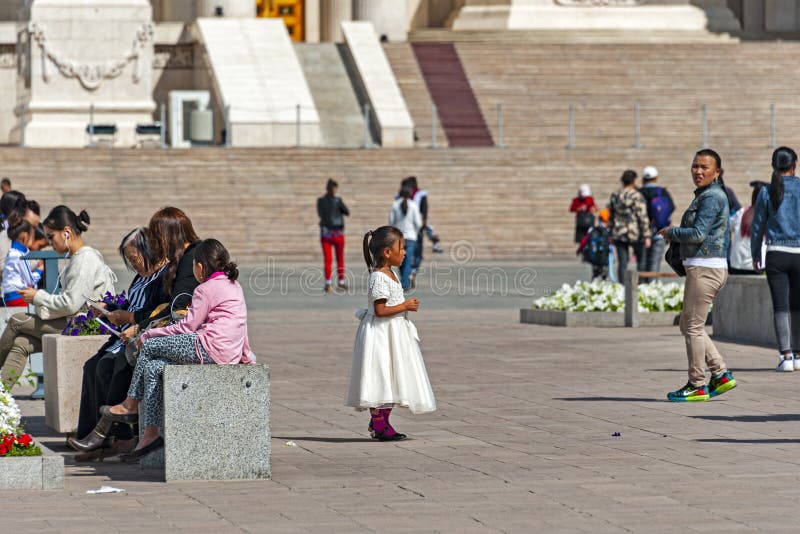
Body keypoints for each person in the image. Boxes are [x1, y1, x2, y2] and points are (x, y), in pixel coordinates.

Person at [101, 239, 253, 461]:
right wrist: (246, 357)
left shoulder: (205, 289)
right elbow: (241, 325)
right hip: (225, 353)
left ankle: (130, 403)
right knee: (153, 368)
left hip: (206, 347)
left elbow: (187, 327)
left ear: (200, 267)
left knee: (149, 346)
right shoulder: (234, 285)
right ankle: (150, 434)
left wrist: (149, 334)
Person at [67, 228, 169, 457]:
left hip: (138, 338)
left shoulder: (163, 277)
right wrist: (108, 310)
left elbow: (157, 313)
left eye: (135, 258)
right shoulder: (140, 277)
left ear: (149, 251)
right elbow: (131, 306)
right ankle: (91, 434)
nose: (134, 265)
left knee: (108, 366)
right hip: (122, 337)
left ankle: (118, 436)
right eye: (130, 260)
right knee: (91, 366)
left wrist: (132, 321)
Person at [0, 206, 115, 389]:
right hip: (79, 322)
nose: (49, 242)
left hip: (88, 325)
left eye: (51, 236)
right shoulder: (79, 257)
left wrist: (37, 296)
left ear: (66, 232)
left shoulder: (85, 258)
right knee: (22, 343)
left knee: (17, 320)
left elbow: (70, 304)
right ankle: (2, 395)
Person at [345, 226, 436, 441]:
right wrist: (405, 305)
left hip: (393, 333)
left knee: (393, 376)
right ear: (387, 252)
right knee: (381, 375)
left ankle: (381, 422)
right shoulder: (379, 277)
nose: (404, 252)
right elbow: (380, 310)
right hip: (380, 333)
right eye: (401, 248)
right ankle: (379, 424)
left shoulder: (391, 273)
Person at [659, 149, 736, 401]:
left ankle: (697, 384)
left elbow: (698, 233)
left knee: (692, 327)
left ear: (717, 172)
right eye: (695, 166)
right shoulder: (707, 195)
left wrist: (672, 232)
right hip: (705, 266)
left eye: (704, 167)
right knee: (688, 324)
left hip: (705, 267)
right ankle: (720, 373)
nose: (698, 171)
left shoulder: (712, 196)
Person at [751, 147, 800, 372]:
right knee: (798, 305)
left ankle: (786, 356)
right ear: (795, 165)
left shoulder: (766, 191)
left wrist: (755, 254)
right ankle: (798, 355)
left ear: (774, 166)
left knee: (781, 306)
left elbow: (757, 226)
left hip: (776, 254)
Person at [610, 170, 651, 283]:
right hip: (635, 232)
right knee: (641, 261)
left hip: (619, 232)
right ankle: (640, 284)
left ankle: (622, 286)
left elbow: (611, 216)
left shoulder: (615, 195)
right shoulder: (636, 195)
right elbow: (642, 216)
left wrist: (611, 233)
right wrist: (647, 235)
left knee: (622, 263)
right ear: (634, 180)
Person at [402, 176, 443, 288]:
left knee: (405, 256)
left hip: (402, 231)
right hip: (416, 231)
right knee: (416, 255)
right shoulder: (420, 196)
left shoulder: (400, 199)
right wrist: (426, 230)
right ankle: (411, 273)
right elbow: (424, 213)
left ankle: (406, 277)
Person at [639, 166, 675, 279]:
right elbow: (671, 208)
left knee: (642, 261)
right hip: (660, 231)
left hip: (642, 233)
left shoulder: (639, 193)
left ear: (643, 179)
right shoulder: (662, 192)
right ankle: (652, 284)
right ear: (656, 177)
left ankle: (640, 284)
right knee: (655, 261)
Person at [2, 215, 43, 307]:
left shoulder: (11, 252)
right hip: (18, 297)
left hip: (8, 297)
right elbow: (30, 281)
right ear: (25, 236)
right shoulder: (20, 255)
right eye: (32, 236)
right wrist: (40, 269)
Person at [317, 179, 349, 293]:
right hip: (337, 233)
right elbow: (347, 212)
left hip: (326, 233)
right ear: (334, 189)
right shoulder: (338, 200)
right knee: (340, 258)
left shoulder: (320, 201)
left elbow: (320, 214)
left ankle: (328, 283)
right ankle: (341, 282)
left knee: (328, 259)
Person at [729, 181, 767, 275]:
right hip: (757, 266)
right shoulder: (768, 216)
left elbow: (726, 227)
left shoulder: (741, 212)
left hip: (736, 264)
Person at [389, 186, 422, 291]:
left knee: (400, 259)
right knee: (408, 260)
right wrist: (416, 232)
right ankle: (405, 282)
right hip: (411, 236)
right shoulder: (413, 205)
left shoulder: (395, 204)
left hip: (398, 236)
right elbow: (418, 223)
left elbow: (391, 222)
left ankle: (404, 281)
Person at [577, 208, 613, 281]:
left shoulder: (593, 230)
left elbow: (584, 240)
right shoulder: (609, 231)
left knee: (595, 274)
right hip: (605, 257)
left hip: (595, 257)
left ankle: (595, 281)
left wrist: (580, 249)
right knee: (605, 276)